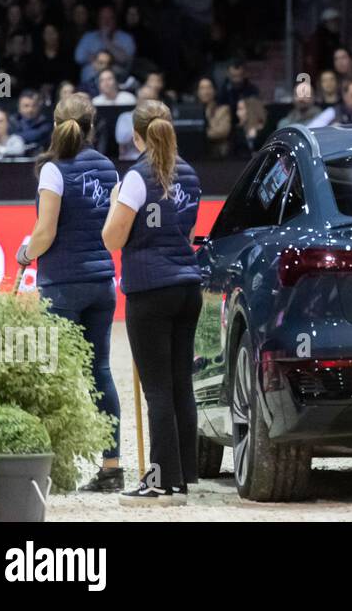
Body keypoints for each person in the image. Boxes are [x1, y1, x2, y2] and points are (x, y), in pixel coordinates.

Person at [17, 92, 122, 491]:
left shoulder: (52, 169)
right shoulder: (109, 167)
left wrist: (25, 252)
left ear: (56, 124)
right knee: (100, 373)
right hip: (101, 284)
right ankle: (111, 466)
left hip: (61, 285)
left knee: (52, 375)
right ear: (92, 125)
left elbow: (45, 232)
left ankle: (51, 468)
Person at [102, 100, 202, 504]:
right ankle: (183, 475)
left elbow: (112, 238)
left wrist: (113, 202)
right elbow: (186, 226)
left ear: (136, 136)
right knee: (180, 384)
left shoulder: (136, 177)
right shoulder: (191, 173)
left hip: (149, 289)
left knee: (157, 389)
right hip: (187, 286)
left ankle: (161, 480)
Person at [13, 89, 53, 153]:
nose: (30, 109)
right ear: (19, 107)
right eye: (26, 106)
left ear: (38, 107)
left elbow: (38, 135)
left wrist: (15, 136)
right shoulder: (12, 121)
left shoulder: (45, 122)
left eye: (34, 106)